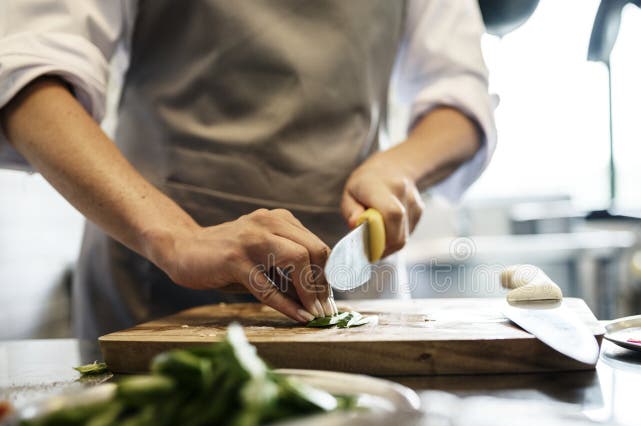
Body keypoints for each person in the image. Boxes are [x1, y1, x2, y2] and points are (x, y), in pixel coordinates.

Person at [0, 0, 496, 338]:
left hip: (348, 280)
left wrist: (399, 168)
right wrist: (177, 238)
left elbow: (458, 92)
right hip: (153, 276)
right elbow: (26, 71)